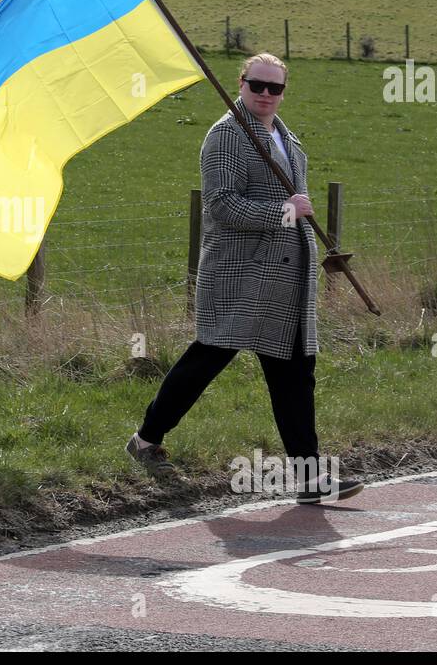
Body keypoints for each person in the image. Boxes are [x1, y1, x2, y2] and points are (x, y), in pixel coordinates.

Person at [125, 52, 363, 504]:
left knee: (295, 374)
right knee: (205, 360)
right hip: (241, 275)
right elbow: (222, 206)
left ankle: (310, 479)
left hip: (287, 279)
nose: (266, 95)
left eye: (276, 88)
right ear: (241, 83)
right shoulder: (227, 137)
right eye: (258, 85)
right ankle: (145, 439)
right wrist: (284, 212)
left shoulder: (286, 139)